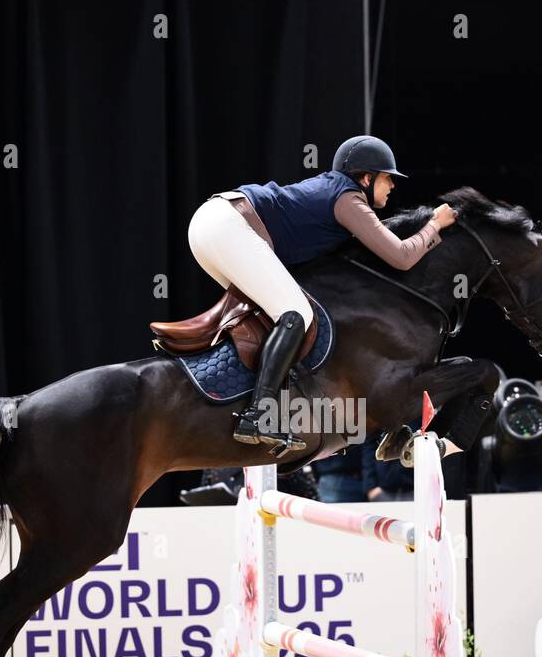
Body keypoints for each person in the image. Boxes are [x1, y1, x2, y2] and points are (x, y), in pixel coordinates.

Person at [188, 134, 457, 452]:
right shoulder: (350, 199)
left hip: (214, 225)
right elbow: (400, 256)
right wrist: (435, 225)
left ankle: (258, 404)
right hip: (227, 226)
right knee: (296, 314)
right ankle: (258, 416)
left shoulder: (337, 195)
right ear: (366, 177)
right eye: (387, 178)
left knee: (276, 318)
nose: (393, 186)